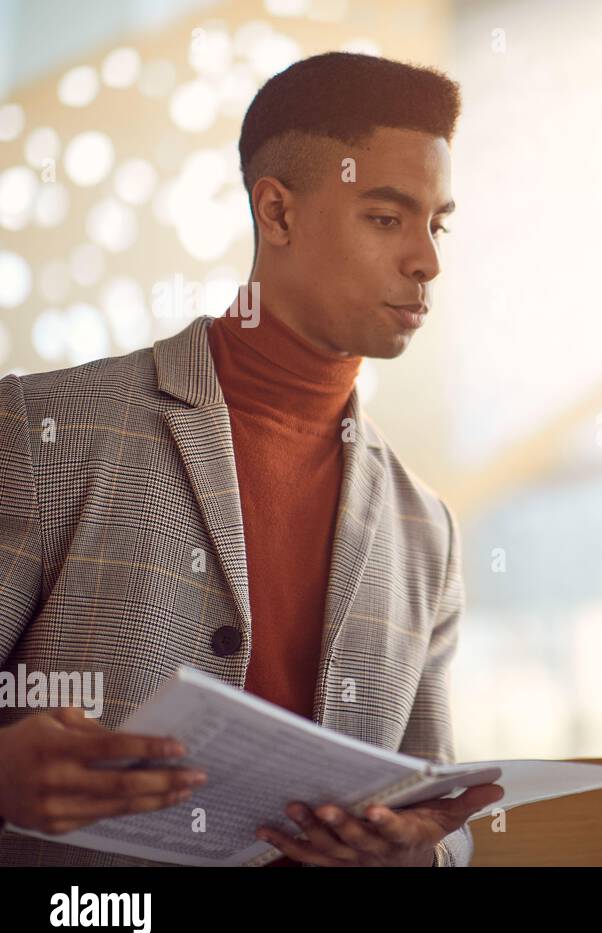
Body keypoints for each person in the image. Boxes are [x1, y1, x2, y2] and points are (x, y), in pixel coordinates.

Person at [0, 51, 501, 866]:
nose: (427, 260)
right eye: (387, 217)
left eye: (435, 223)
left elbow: (441, 810)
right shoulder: (42, 428)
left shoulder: (425, 530)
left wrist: (417, 854)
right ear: (277, 213)